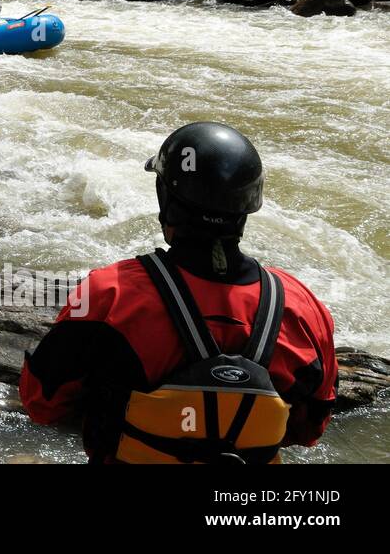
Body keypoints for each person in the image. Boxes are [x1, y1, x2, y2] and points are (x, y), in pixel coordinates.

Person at [20, 122, 337, 464]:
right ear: (247, 207)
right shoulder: (302, 306)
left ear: (167, 201)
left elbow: (40, 402)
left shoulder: (109, 294)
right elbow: (311, 429)